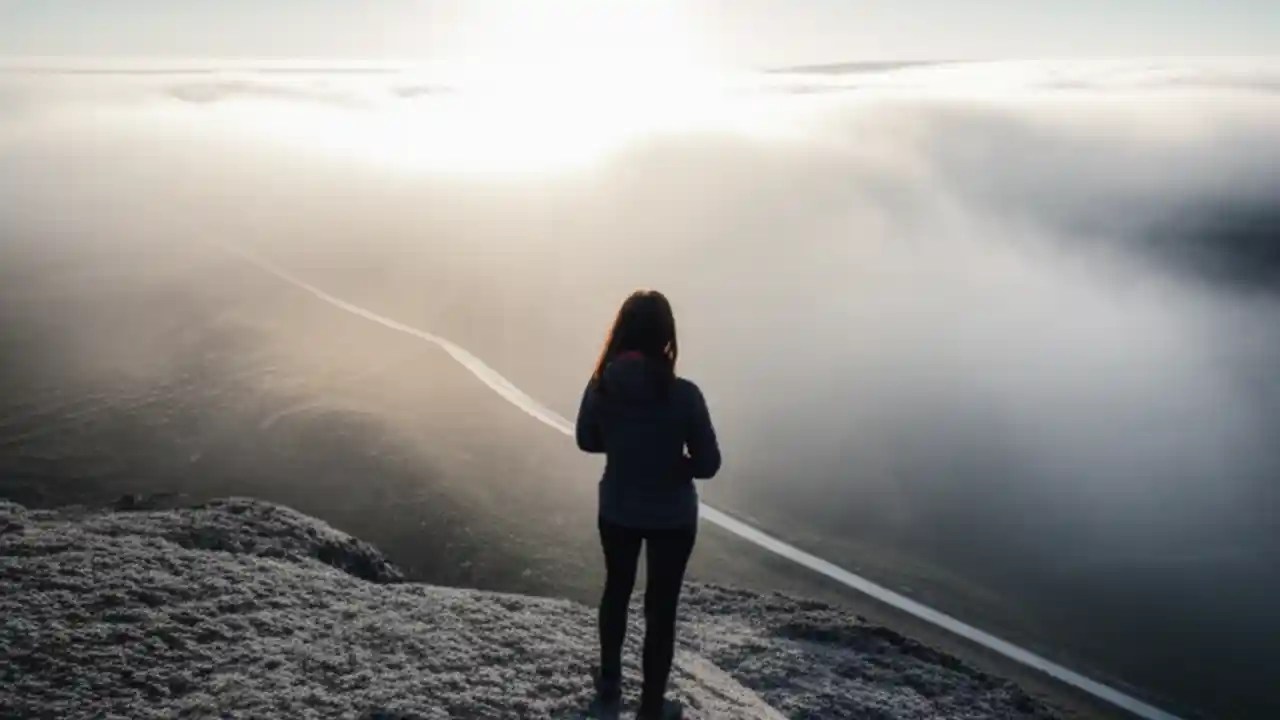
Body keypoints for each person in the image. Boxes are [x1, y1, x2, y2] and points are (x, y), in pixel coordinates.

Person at [575, 289, 721, 720]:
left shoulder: (601, 385)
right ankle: (652, 708)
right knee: (662, 607)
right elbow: (709, 463)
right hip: (672, 516)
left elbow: (586, 439)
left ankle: (609, 685)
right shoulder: (684, 395)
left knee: (616, 590)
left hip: (618, 505)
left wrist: (623, 446)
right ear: (666, 336)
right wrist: (675, 465)